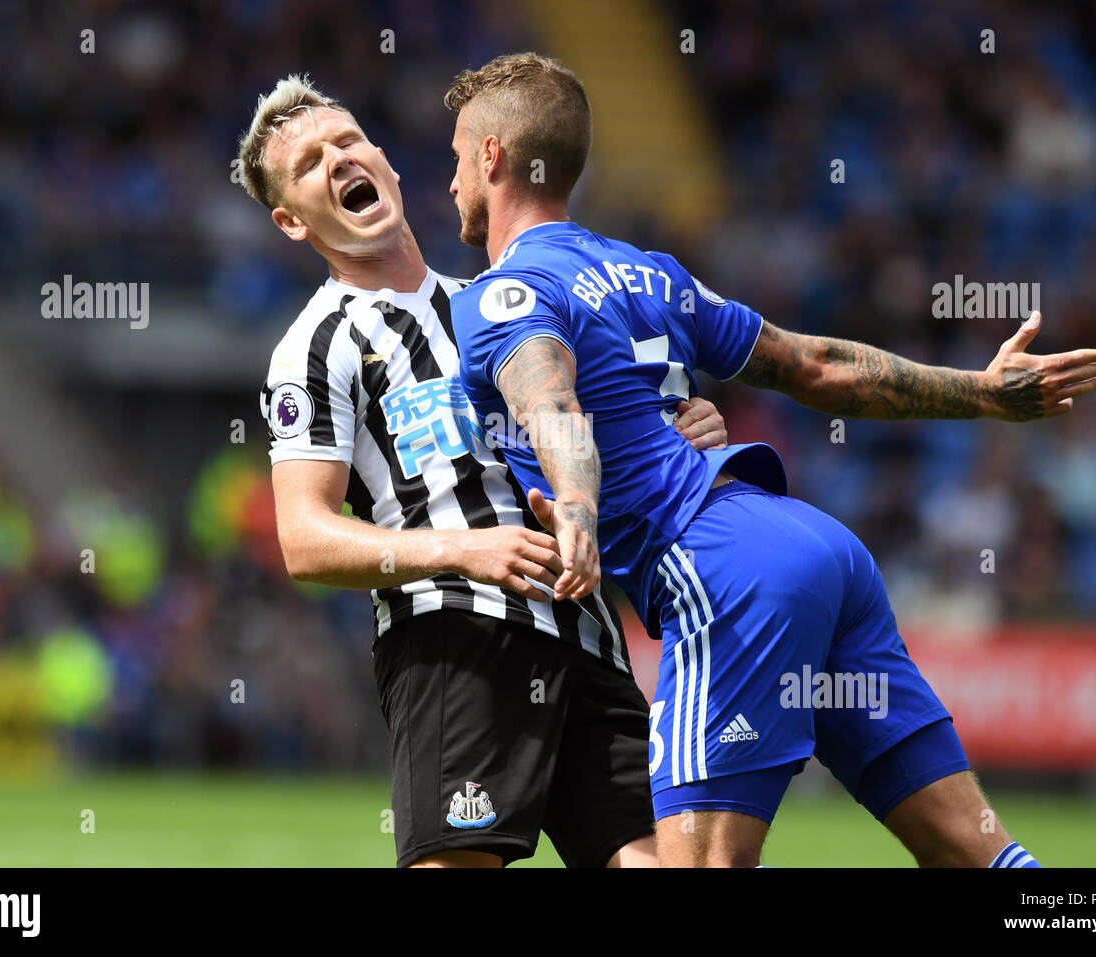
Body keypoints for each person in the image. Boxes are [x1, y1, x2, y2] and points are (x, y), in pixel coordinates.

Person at [446, 53, 1096, 867]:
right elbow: (815, 366)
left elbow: (554, 408)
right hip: (821, 553)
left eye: (453, 159)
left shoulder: (499, 295)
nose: (448, 185)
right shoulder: (650, 274)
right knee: (981, 857)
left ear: (491, 158)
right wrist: (982, 391)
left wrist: (578, 509)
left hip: (723, 573)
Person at [236, 74, 730, 868]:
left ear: (388, 164)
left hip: (585, 634)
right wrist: (465, 551)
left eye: (348, 141)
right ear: (292, 221)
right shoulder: (315, 346)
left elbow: (597, 434)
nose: (338, 160)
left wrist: (686, 430)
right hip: (454, 635)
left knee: (663, 862)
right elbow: (304, 539)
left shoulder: (498, 301)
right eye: (309, 164)